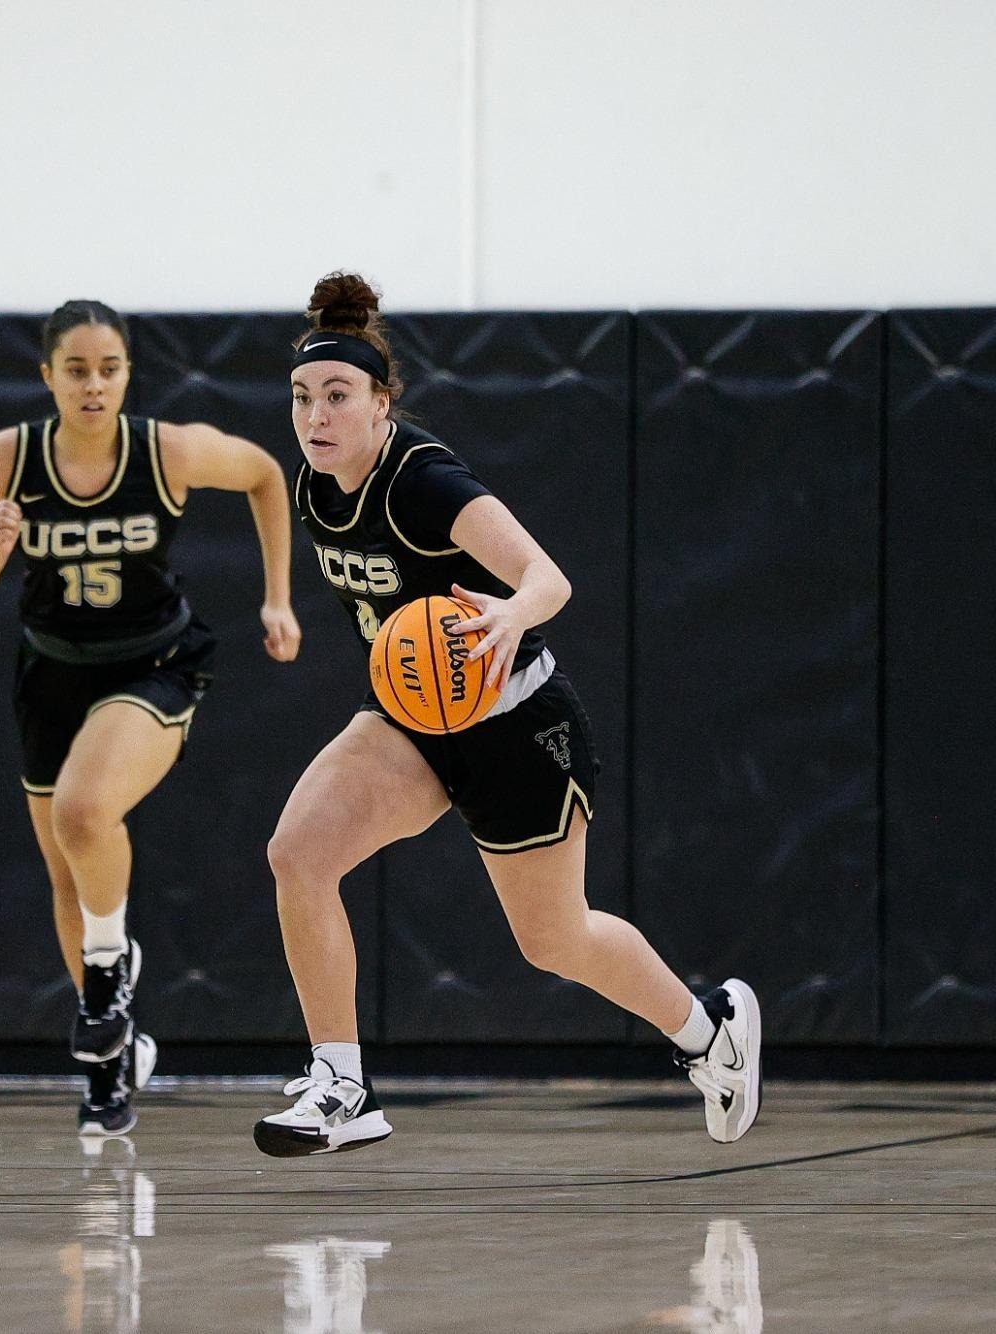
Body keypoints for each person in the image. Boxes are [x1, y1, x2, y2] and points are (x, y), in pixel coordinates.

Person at [255, 272, 761, 1157]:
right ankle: (341, 1085)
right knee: (298, 854)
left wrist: (508, 615)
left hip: (518, 721)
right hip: (411, 719)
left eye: (337, 396)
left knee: (553, 940)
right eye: (302, 398)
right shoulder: (312, 485)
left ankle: (708, 1032)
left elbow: (549, 578)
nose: (316, 417)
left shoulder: (424, 480)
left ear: (382, 405)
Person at [0, 300, 301, 1135]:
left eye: (109, 369)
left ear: (128, 374)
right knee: (70, 872)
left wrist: (277, 599)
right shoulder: (10, 457)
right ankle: (112, 1060)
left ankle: (108, 979)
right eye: (76, 370)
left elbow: (265, 475)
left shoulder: (165, 448)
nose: (94, 385)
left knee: (84, 810)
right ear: (48, 377)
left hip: (154, 663)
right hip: (52, 672)